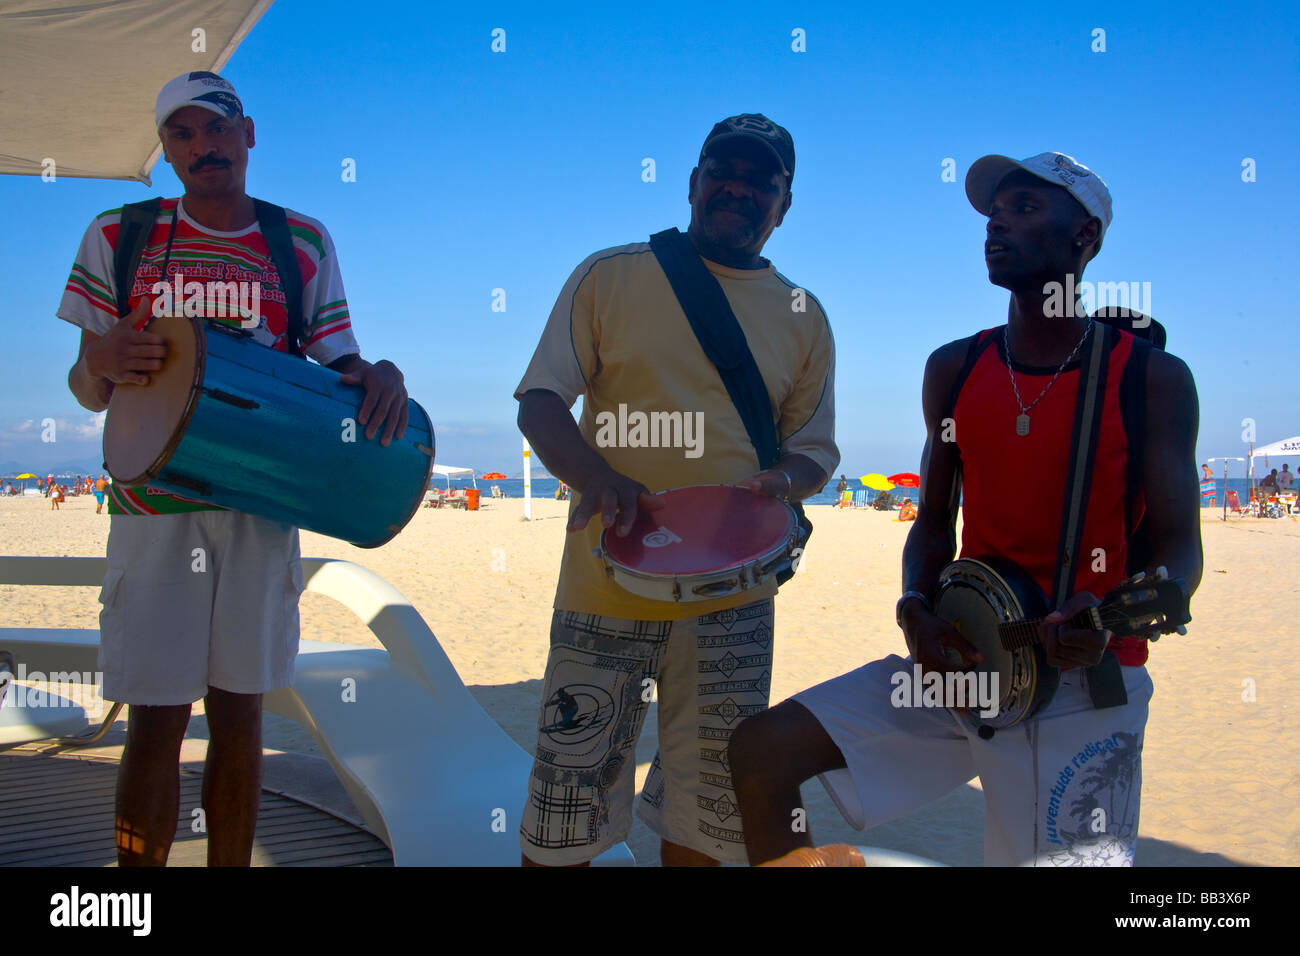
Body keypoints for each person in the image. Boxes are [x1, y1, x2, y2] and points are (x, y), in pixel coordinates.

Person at [731, 152, 1202, 866]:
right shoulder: (955, 368)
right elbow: (932, 521)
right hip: (963, 658)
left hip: (1084, 689)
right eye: (995, 210)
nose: (998, 223)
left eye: (1025, 208)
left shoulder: (1149, 378)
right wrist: (915, 609)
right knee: (762, 752)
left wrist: (1111, 615)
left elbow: (1180, 549)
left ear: (1084, 238)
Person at [60, 72, 408, 866]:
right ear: (168, 149)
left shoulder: (301, 240)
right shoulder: (119, 235)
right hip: (151, 508)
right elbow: (86, 388)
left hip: (261, 500)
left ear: (248, 135)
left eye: (215, 129)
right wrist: (102, 360)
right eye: (181, 134)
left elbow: (336, 367)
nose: (201, 146)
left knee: (242, 714)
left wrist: (381, 371)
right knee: (155, 719)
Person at [514, 113, 837, 867]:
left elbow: (815, 453)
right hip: (606, 590)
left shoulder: (804, 315)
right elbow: (540, 400)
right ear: (693, 184)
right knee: (565, 814)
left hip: (735, 603)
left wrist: (782, 482)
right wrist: (594, 474)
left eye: (764, 180)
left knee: (708, 819)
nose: (740, 187)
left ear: (783, 206)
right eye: (724, 168)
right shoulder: (611, 274)